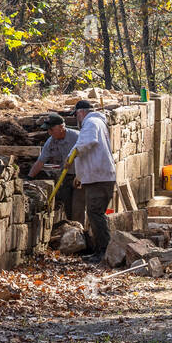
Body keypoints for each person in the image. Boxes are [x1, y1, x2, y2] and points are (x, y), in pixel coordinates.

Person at [71, 100, 117, 261]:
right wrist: (79, 175)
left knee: (95, 213)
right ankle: (101, 249)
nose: (77, 118)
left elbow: (86, 143)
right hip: (97, 176)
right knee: (95, 213)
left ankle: (104, 251)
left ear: (81, 112)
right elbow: (89, 153)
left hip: (99, 178)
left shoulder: (91, 122)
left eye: (76, 114)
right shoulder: (97, 122)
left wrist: (71, 155)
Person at [28, 114, 80, 220]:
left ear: (61, 127)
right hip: (65, 176)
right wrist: (29, 178)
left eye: (51, 129)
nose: (49, 132)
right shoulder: (51, 141)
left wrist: (82, 176)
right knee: (68, 205)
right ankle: (73, 227)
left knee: (78, 206)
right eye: (48, 130)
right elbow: (40, 162)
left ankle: (82, 231)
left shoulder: (77, 137)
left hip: (81, 176)